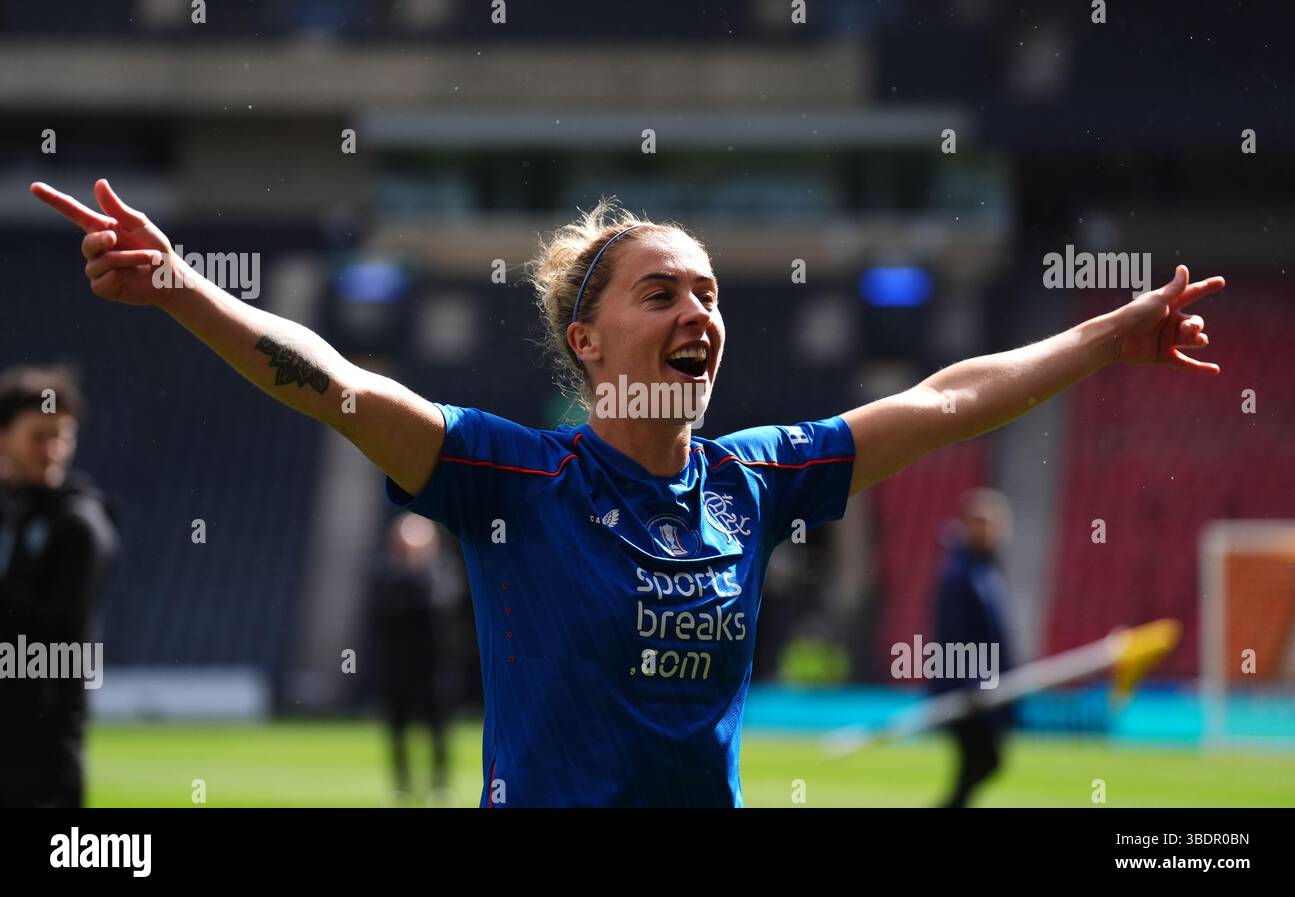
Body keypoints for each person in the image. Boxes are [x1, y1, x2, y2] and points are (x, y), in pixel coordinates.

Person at [30, 178, 1225, 807]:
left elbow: (955, 399)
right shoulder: (514, 478)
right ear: (586, 340)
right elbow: (333, 385)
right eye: (660, 293)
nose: (697, 312)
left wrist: (1106, 337)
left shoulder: (760, 480)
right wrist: (184, 289)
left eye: (707, 292)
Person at [0, 365, 119, 807]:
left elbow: (55, 634)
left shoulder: (80, 524)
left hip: (41, 740)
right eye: (38, 436)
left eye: (61, 436)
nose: (52, 451)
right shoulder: (14, 510)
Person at [930, 487, 1016, 808]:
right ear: (966, 525)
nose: (989, 529)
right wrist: (969, 681)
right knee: (984, 760)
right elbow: (953, 633)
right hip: (966, 688)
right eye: (981, 522)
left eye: (993, 523)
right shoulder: (960, 573)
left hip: (987, 686)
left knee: (980, 765)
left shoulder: (987, 569)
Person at [367, 513, 456, 804]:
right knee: (397, 729)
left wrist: (418, 575)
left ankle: (440, 785)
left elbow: (443, 607)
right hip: (397, 666)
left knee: (439, 730)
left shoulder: (441, 570)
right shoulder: (386, 572)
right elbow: (383, 611)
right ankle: (402, 785)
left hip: (433, 666)